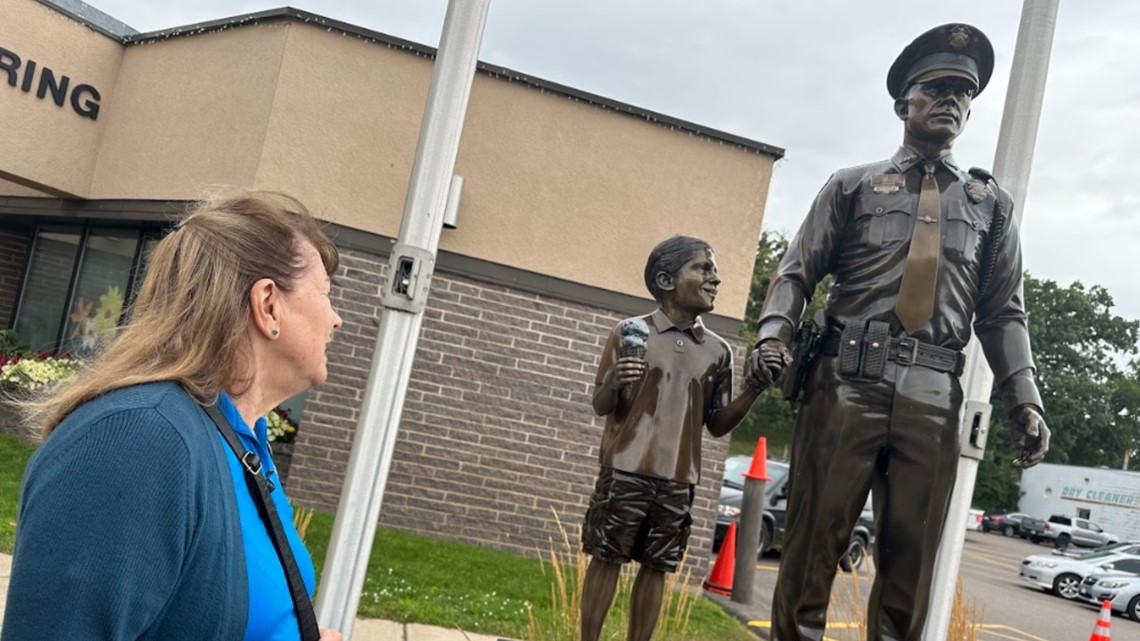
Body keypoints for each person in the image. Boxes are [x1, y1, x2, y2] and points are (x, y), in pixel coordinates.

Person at [748, 24, 1051, 641]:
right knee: (813, 546)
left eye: (962, 94)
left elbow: (1003, 313)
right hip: (845, 385)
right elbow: (796, 271)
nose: (951, 102)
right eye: (936, 88)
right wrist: (773, 335)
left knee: (910, 568)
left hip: (934, 395)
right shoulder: (852, 185)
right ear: (902, 103)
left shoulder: (990, 207)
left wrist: (1025, 398)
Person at [2, 192, 344, 641]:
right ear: (268, 305)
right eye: (325, 294)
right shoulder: (136, 439)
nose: (336, 320)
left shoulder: (241, 437)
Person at [580, 234, 781, 641]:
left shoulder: (718, 351)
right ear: (666, 280)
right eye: (704, 269)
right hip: (624, 471)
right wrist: (613, 382)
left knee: (658, 568)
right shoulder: (629, 332)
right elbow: (601, 405)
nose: (716, 278)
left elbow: (718, 424)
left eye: (716, 270)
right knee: (606, 558)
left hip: (677, 480)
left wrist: (754, 389)